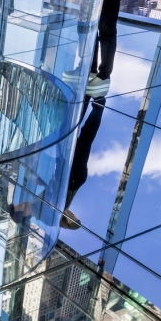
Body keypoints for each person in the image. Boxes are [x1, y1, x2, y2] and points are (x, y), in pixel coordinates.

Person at [61, 98, 105, 230]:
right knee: (85, 138)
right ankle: (97, 105)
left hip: (72, 177)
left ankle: (86, 101)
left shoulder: (55, 213)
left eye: (73, 218)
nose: (73, 215)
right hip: (75, 178)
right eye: (74, 217)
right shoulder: (61, 209)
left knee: (77, 136)